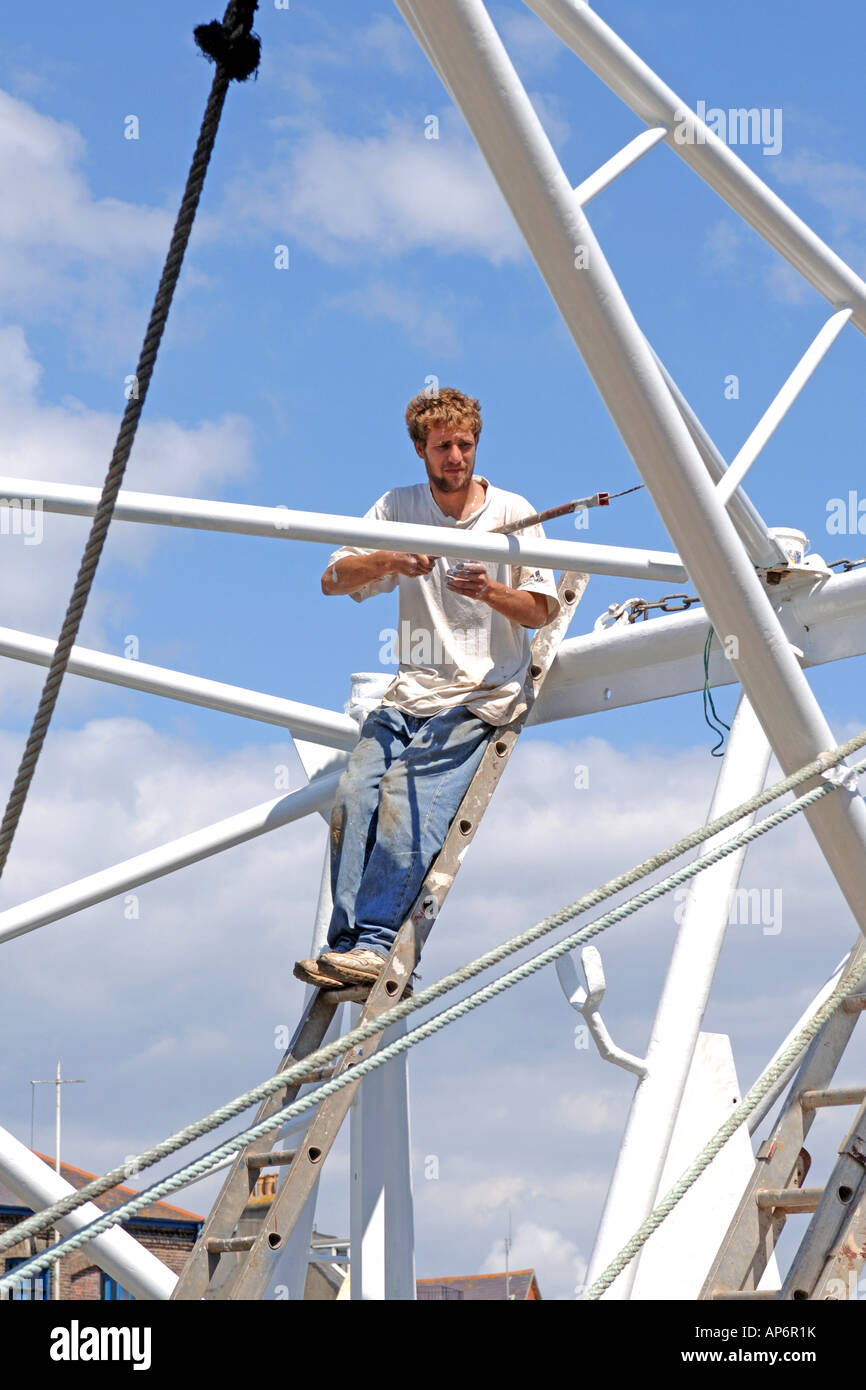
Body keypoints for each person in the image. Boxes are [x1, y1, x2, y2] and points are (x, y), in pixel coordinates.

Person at [294, 387, 560, 990]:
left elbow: (541, 609)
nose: (457, 458)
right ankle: (348, 946)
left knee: (408, 796)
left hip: (480, 692)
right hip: (411, 690)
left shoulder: (511, 512)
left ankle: (377, 942)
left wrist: (489, 590)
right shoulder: (398, 507)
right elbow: (333, 579)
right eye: (443, 447)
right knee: (355, 794)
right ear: (420, 449)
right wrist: (391, 559)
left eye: (465, 445)